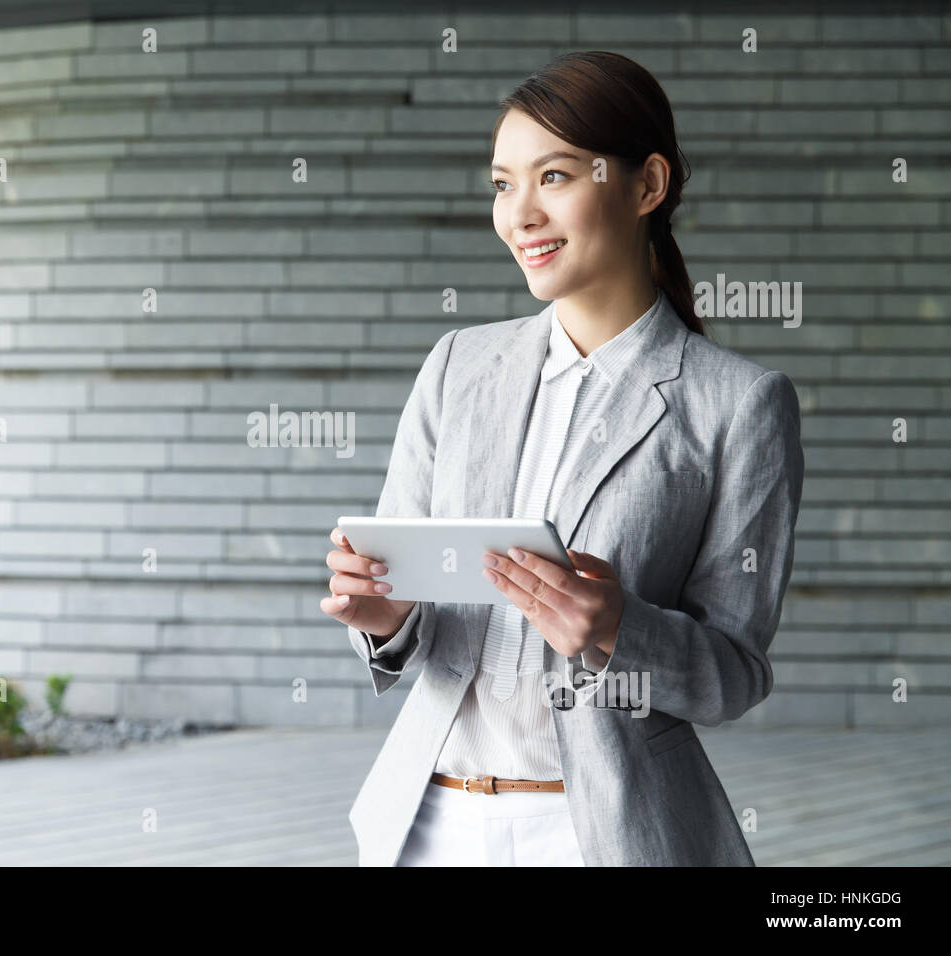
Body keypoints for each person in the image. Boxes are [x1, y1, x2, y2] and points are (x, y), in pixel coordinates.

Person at [321, 51, 804, 866]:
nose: (520, 215)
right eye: (503, 185)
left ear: (647, 185)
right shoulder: (457, 366)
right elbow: (407, 594)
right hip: (429, 822)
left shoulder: (738, 405)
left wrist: (623, 629)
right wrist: (384, 617)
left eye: (554, 177)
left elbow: (735, 673)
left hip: (600, 835)